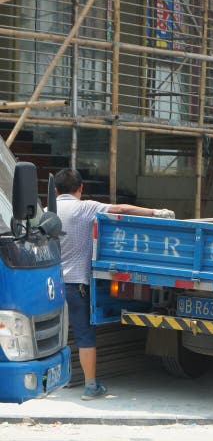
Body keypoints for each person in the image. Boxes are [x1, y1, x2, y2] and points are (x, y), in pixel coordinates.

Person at [55, 169, 175, 400]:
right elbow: (120, 209)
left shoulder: (46, 211)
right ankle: (91, 387)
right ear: (80, 189)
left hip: (49, 285)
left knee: (50, 333)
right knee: (84, 335)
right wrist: (155, 212)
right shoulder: (84, 207)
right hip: (76, 283)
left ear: (55, 190)